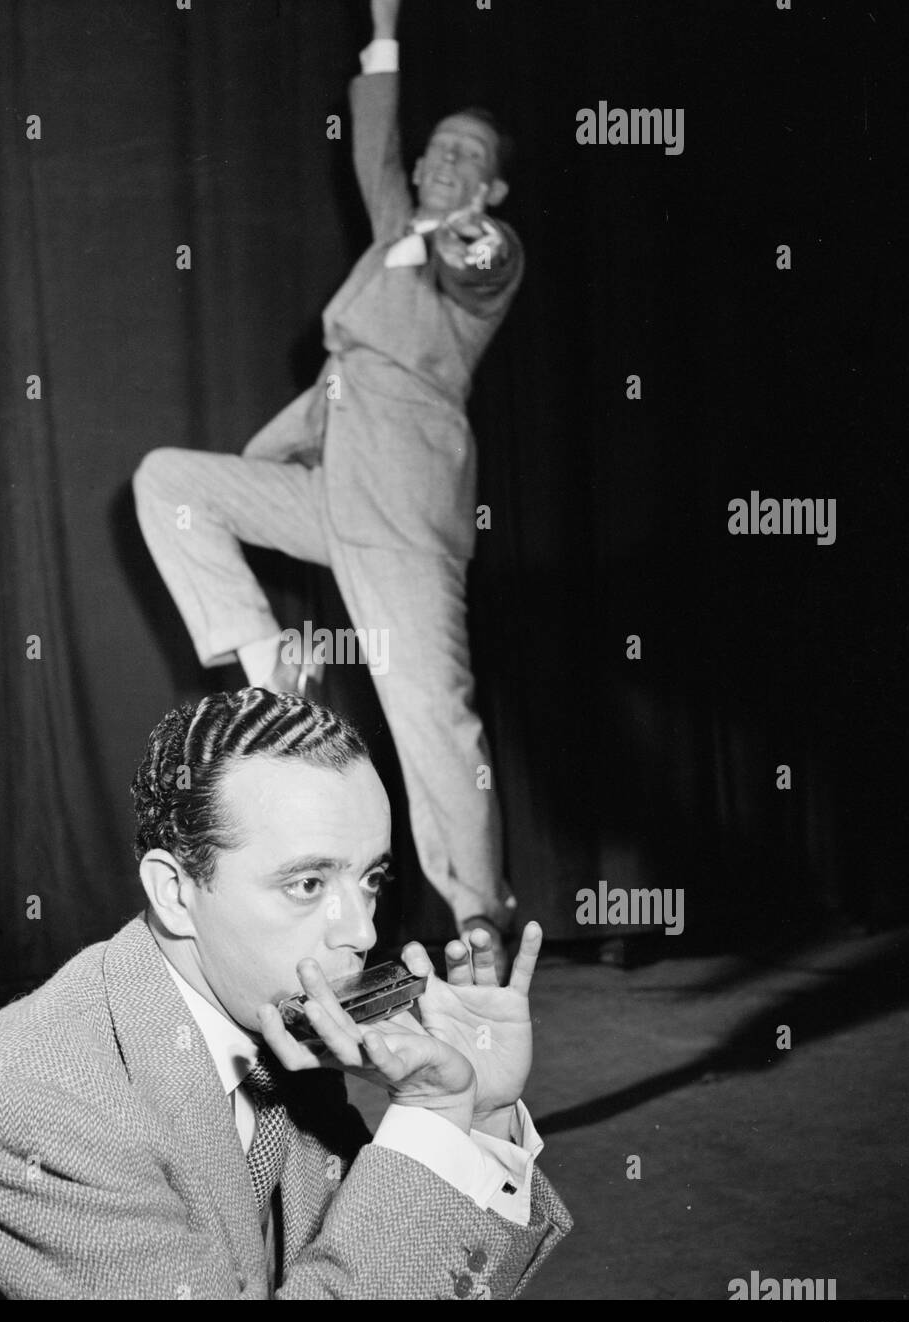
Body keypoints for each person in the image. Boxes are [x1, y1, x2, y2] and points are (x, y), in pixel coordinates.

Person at [0, 688, 571, 1298]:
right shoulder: (34, 1111)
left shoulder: (269, 1030)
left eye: (371, 881)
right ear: (175, 893)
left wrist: (479, 1114)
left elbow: (398, 1268)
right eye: (307, 884)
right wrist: (428, 1121)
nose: (359, 930)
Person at [133, 0, 523, 975]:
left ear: (493, 185)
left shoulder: (476, 257)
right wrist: (385, 28)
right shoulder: (396, 222)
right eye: (439, 153)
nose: (443, 166)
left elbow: (487, 262)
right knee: (172, 483)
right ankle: (268, 664)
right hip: (325, 478)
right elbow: (376, 151)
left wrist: (474, 235)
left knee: (436, 723)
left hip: (399, 515)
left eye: (467, 159)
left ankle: (480, 923)